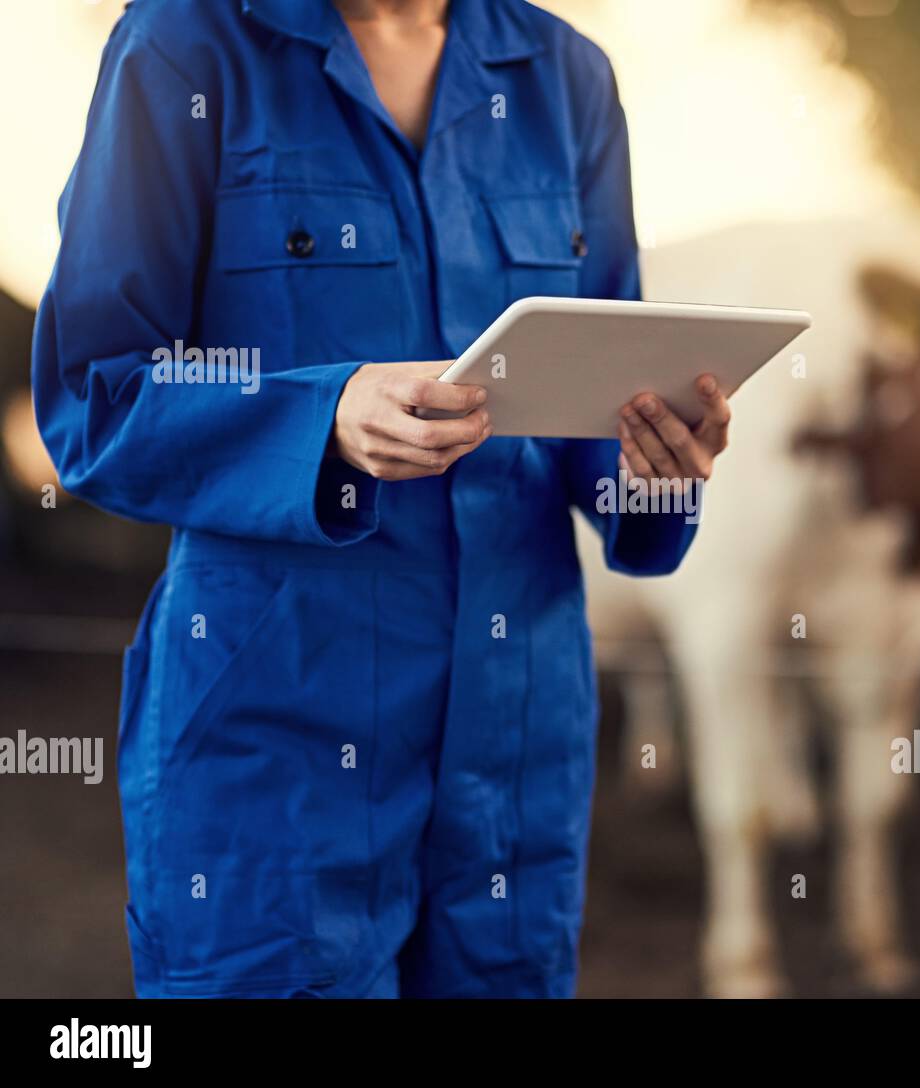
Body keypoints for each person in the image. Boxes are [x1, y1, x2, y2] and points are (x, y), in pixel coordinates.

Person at [32, 0, 731, 998]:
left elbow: (599, 398)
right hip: (272, 748)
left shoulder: (564, 74)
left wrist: (657, 464)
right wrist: (323, 417)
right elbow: (92, 396)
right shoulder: (181, 45)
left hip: (516, 756)